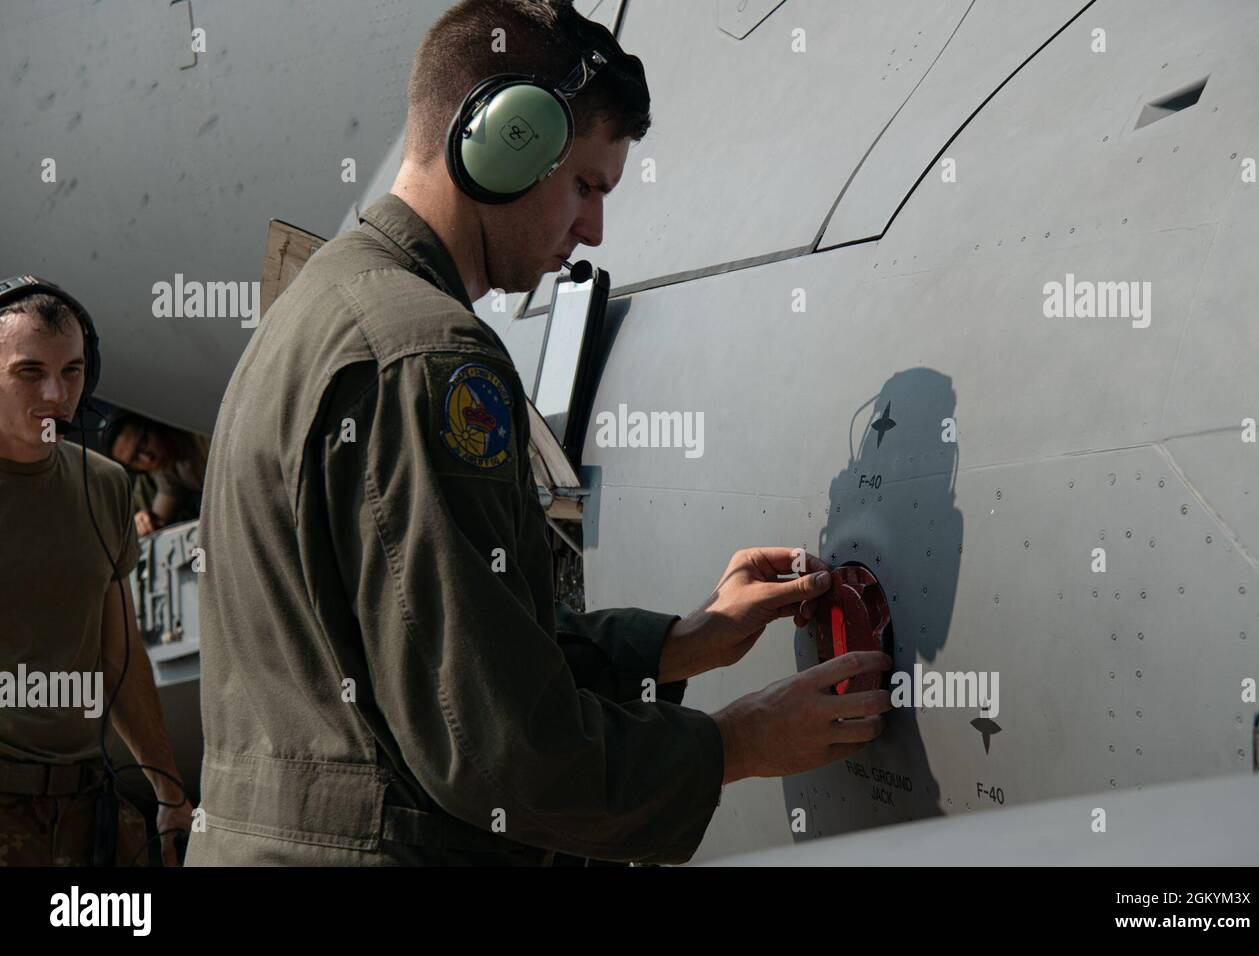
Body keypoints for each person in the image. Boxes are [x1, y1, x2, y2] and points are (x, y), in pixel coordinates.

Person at [187, 0, 891, 866]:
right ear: (500, 145)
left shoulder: (315, 314)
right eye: (586, 186)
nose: (594, 228)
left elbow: (417, 645)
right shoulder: (428, 356)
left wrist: (680, 642)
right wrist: (734, 745)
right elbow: (499, 750)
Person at [0, 284, 192, 866]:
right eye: (29, 372)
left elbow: (120, 654)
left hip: (88, 811)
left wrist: (168, 791)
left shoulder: (105, 485)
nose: (57, 395)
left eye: (73, 371)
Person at [105, 412, 209, 538]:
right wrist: (144, 521)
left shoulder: (201, 435)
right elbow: (164, 503)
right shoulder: (167, 467)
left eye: (144, 442)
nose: (148, 458)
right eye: (135, 459)